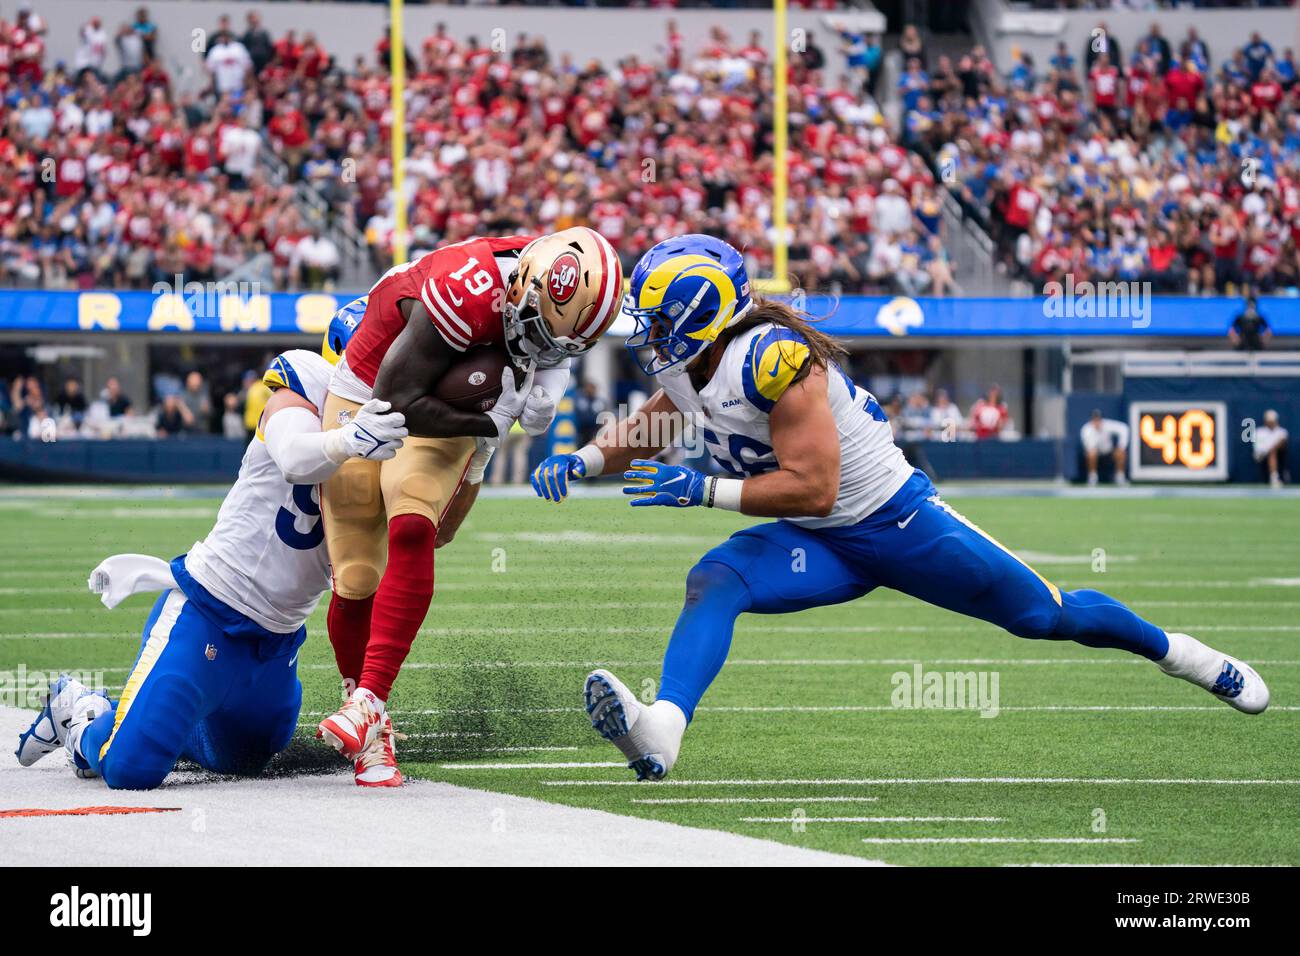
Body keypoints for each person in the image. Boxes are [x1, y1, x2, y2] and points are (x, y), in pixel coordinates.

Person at [529, 234, 1269, 782]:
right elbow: (663, 415)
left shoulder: (775, 360)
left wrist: (703, 489)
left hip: (897, 523)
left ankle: (1182, 655)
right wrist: (588, 459)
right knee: (715, 578)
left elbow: (813, 486)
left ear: (703, 315)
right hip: (819, 542)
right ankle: (663, 729)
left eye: (661, 321)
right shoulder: (692, 361)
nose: (649, 336)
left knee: (1049, 615)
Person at [15, 348, 407, 790]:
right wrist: (348, 439)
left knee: (241, 761)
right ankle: (82, 715)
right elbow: (296, 458)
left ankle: (160, 721)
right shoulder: (307, 382)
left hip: (276, 644)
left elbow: (420, 527)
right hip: (209, 612)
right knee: (130, 770)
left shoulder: (398, 416)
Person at [314, 229, 621, 784]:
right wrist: (489, 423)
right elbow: (397, 403)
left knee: (414, 527)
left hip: (462, 372)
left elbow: (556, 338)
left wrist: (548, 373)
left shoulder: (555, 282)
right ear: (523, 286)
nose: (548, 347)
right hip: (372, 384)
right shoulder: (468, 288)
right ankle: (369, 720)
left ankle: (367, 705)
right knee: (357, 571)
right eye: (542, 332)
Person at [1080, 409, 1130, 487]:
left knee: (1121, 452)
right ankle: (1092, 478)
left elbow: (1124, 428)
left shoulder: (1108, 425)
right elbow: (1089, 448)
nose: (1097, 422)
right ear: (1091, 420)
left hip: (1109, 452)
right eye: (1095, 419)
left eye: (1098, 419)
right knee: (1091, 453)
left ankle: (1120, 477)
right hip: (1096, 453)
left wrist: (1121, 446)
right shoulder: (1086, 430)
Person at [1253, 410, 1289, 489]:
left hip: (1277, 454)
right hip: (1262, 454)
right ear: (1265, 421)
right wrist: (1267, 451)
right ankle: (1274, 478)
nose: (1271, 423)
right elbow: (1258, 449)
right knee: (1271, 452)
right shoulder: (1259, 432)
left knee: (1273, 453)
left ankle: (1274, 479)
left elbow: (1283, 443)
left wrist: (1271, 449)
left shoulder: (1281, 431)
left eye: (1272, 421)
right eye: (1269, 421)